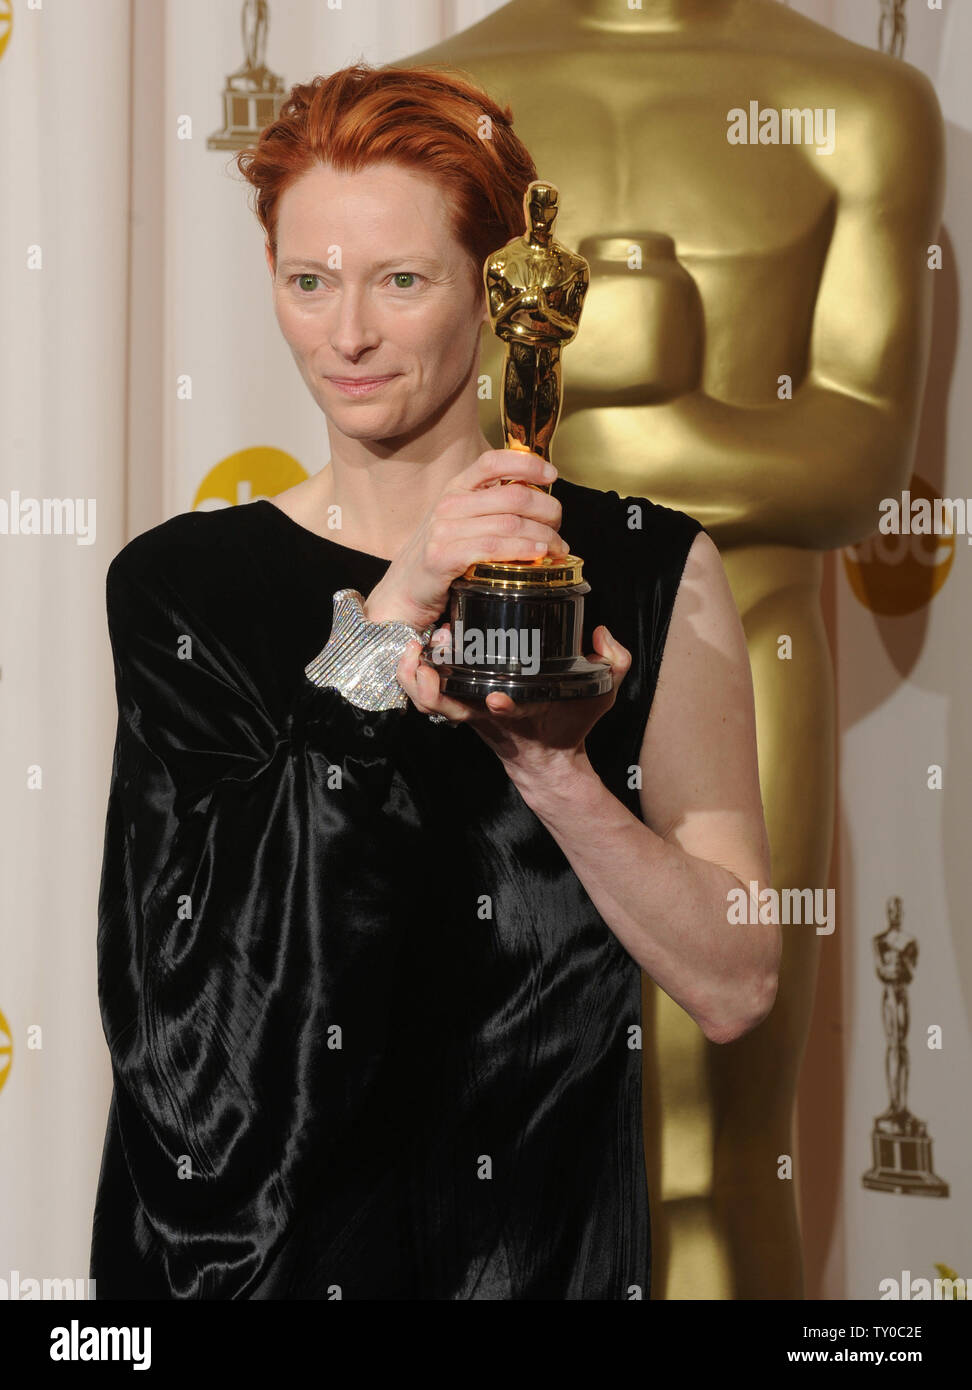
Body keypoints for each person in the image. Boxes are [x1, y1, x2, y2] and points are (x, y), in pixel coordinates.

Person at [89, 61, 777, 1300]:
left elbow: (737, 982)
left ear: (497, 292)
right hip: (248, 1268)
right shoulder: (183, 587)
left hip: (536, 1255)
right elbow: (192, 996)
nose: (345, 334)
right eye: (310, 282)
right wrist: (393, 610)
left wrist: (559, 769)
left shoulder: (645, 567)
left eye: (400, 281)